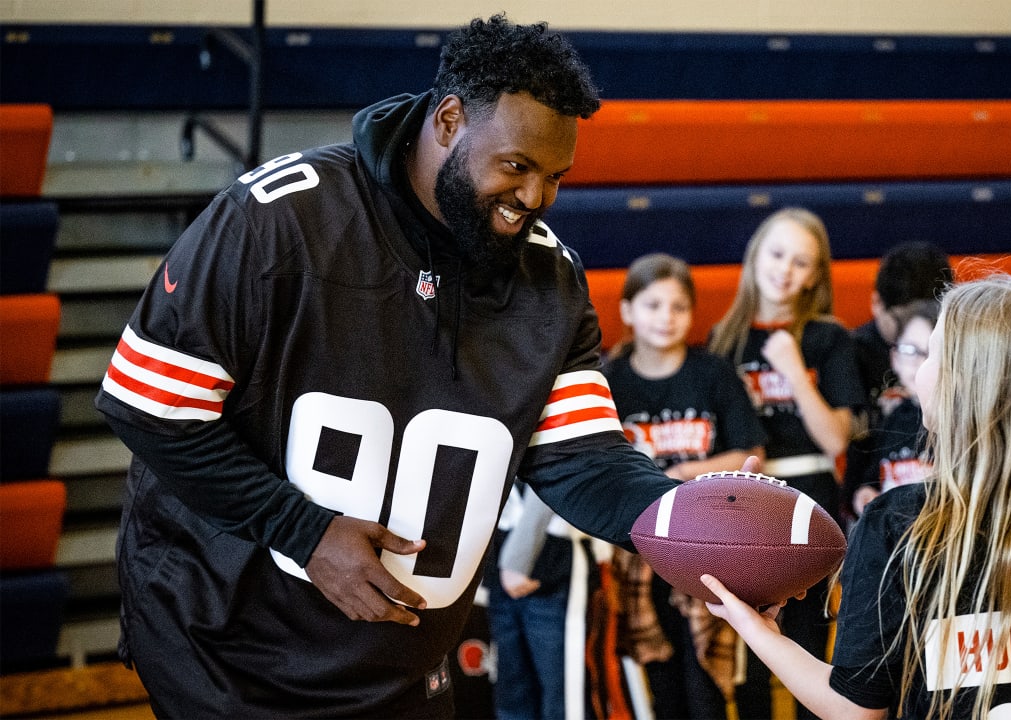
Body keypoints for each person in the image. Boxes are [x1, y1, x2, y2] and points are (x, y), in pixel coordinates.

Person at [93, 15, 684, 718]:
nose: (535, 198)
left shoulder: (549, 278)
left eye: (556, 176)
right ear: (449, 120)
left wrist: (688, 528)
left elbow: (582, 457)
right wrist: (301, 529)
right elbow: (147, 408)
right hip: (225, 650)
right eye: (517, 167)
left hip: (400, 661)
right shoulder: (276, 221)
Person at [703, 275, 1011, 720]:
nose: (918, 370)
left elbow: (854, 711)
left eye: (931, 354)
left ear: (964, 390)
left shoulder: (899, 524)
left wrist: (758, 631)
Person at [707, 208, 864, 720]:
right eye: (777, 255)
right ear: (755, 257)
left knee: (806, 641)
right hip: (747, 497)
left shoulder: (829, 338)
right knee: (748, 649)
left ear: (816, 275)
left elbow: (836, 436)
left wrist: (795, 371)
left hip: (812, 493)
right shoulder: (723, 341)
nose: (785, 271)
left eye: (802, 262)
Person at [602, 253, 768, 720]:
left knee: (706, 685)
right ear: (628, 311)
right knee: (658, 679)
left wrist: (676, 476)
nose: (666, 318)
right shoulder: (608, 380)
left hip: (705, 543)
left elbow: (749, 455)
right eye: (653, 305)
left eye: (678, 307)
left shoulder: (711, 372)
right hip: (636, 547)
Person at [843, 241, 952, 525]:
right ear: (877, 305)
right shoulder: (853, 352)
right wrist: (862, 491)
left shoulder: (955, 363)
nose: (918, 362)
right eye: (904, 320)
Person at [485, 480, 595, 720]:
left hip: (554, 566)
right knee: (511, 690)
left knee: (563, 695)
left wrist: (517, 563)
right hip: (497, 565)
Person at [849, 298, 939, 517]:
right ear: (894, 357)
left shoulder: (960, 421)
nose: (919, 362)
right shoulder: (893, 417)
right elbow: (872, 478)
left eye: (930, 353)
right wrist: (866, 493)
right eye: (910, 350)